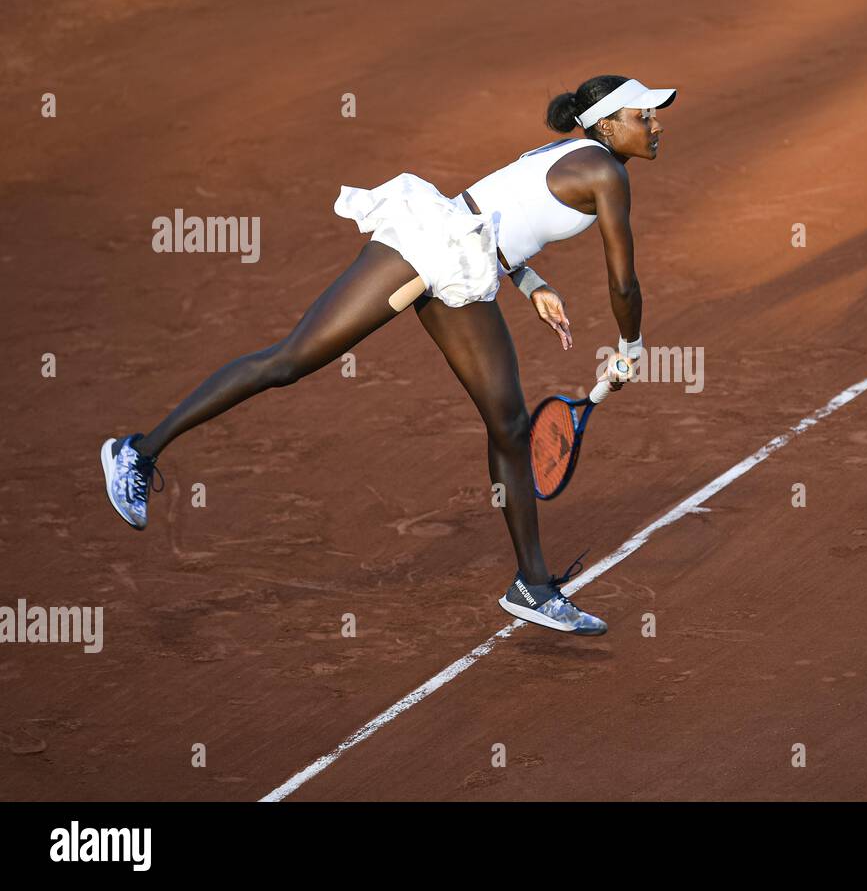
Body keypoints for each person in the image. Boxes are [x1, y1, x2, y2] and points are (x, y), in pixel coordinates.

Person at [100, 75, 676, 636]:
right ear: (606, 124)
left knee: (508, 423)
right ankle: (138, 451)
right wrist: (630, 346)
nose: (654, 126)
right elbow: (622, 283)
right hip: (428, 248)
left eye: (654, 115)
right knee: (291, 361)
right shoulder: (605, 171)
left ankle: (532, 586)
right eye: (642, 116)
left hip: (465, 270)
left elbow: (499, 217)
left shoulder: (574, 150)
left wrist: (529, 284)